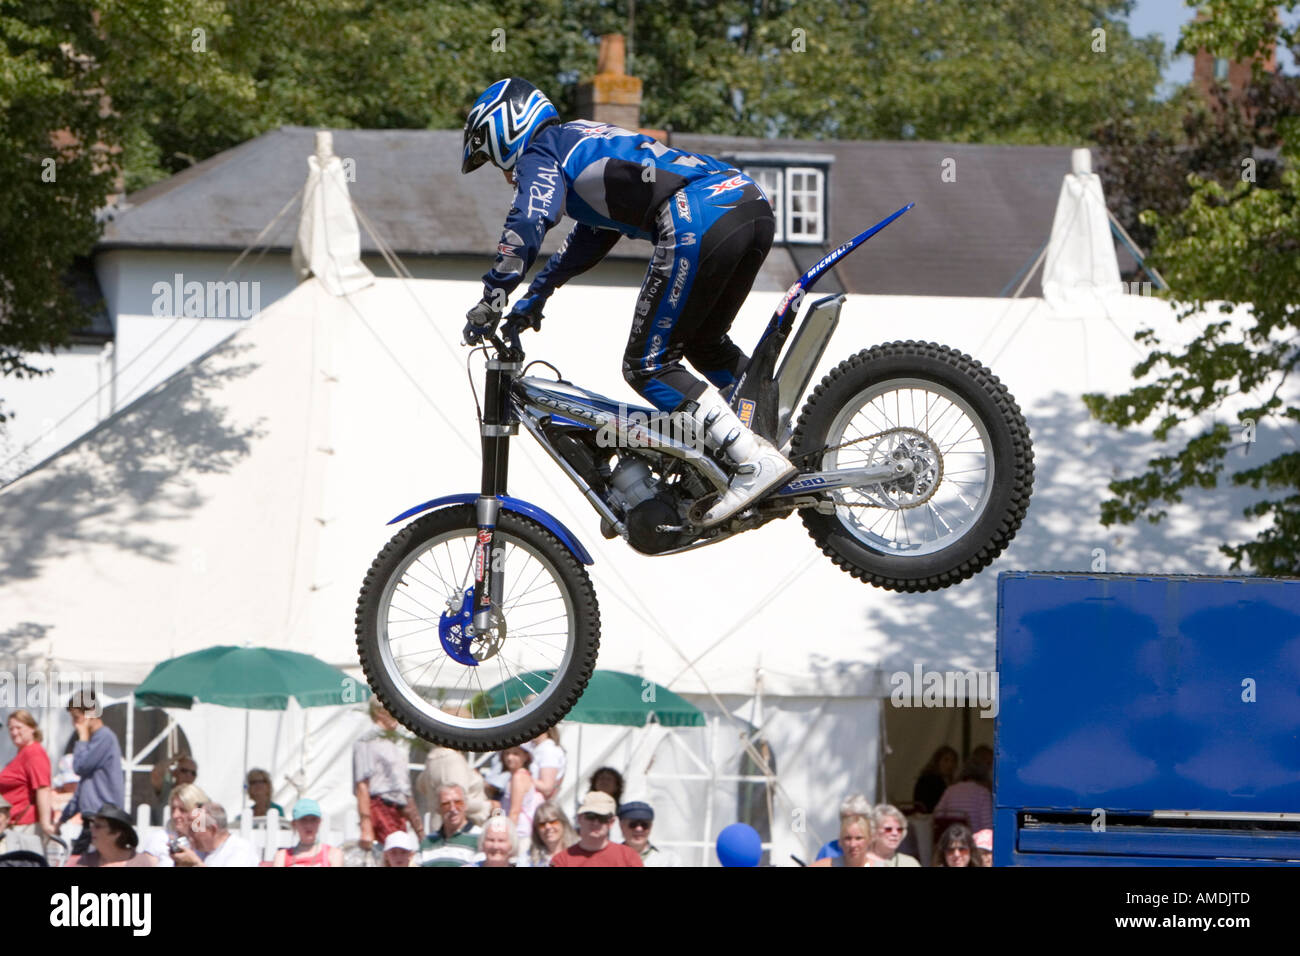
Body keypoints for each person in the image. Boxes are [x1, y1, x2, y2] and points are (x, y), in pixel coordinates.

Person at [460, 78, 794, 527]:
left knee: (648, 366)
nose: (505, 177)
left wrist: (492, 298)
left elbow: (528, 219)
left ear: (507, 130)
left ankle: (752, 461)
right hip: (747, 205)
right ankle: (774, 433)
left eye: (495, 162)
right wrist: (534, 298)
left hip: (697, 214)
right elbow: (592, 236)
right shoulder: (580, 139)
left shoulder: (543, 151)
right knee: (704, 343)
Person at [56, 690, 124, 856]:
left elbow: (80, 767)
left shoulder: (105, 738)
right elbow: (83, 788)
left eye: (76, 718)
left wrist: (83, 738)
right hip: (92, 818)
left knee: (81, 860)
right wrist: (63, 818)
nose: (74, 724)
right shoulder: (95, 741)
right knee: (78, 859)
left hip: (104, 819)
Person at [353, 699, 423, 850]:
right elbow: (362, 785)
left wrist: (419, 829)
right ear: (379, 712)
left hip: (399, 812)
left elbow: (403, 788)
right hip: (380, 807)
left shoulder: (394, 744)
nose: (398, 716)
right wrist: (366, 826)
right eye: (393, 710)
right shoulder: (366, 742)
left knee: (400, 856)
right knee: (393, 854)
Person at [549, 791, 642, 867]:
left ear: (611, 822)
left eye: (602, 818)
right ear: (579, 818)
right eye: (591, 816)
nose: (596, 822)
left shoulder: (629, 857)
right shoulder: (562, 860)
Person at [1, 709, 54, 842]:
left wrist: (45, 824)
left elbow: (43, 788)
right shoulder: (23, 753)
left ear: (32, 728)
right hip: (15, 823)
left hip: (27, 825)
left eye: (19, 727)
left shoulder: (34, 753)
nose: (14, 732)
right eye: (11, 728)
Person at [416, 746, 489, 828]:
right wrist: (489, 806)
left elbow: (420, 784)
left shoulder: (433, 758)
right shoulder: (452, 760)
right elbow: (458, 803)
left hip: (440, 827)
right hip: (459, 831)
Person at [172, 803, 259, 867]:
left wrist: (196, 863)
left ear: (212, 829)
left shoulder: (240, 850)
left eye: (193, 831)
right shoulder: (201, 851)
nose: (190, 836)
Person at [419, 784, 483, 867]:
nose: (452, 809)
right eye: (446, 804)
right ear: (438, 809)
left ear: (465, 805)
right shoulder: (427, 842)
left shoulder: (481, 838)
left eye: (458, 802)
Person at [72, 804, 155, 867]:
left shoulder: (140, 863)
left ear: (116, 833)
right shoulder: (85, 861)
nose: (91, 829)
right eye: (92, 825)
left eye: (98, 826)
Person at [273, 799, 343, 867]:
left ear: (319, 822)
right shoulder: (282, 856)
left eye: (313, 819)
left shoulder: (333, 854)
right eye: (303, 820)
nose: (308, 825)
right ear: (294, 824)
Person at [933, 761, 994, 833]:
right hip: (972, 840)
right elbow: (987, 826)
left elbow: (937, 814)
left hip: (951, 839)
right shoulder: (983, 792)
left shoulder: (950, 790)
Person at [500, 745, 543, 841]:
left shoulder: (518, 777)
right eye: (507, 753)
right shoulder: (521, 775)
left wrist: (506, 838)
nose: (510, 758)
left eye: (516, 754)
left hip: (519, 833)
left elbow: (514, 811)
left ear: (526, 756)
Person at [813, 793, 873, 862]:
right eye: (847, 819)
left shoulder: (875, 851)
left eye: (857, 819)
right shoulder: (828, 850)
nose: (852, 824)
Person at [618, 800, 679, 867]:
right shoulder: (609, 856)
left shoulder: (669, 859)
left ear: (651, 826)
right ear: (621, 826)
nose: (639, 829)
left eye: (644, 825)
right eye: (633, 824)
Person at [526, 800, 577, 867]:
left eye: (552, 822)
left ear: (563, 823)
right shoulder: (528, 859)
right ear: (537, 830)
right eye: (542, 824)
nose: (548, 827)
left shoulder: (577, 852)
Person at [149, 752, 197, 818]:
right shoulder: (167, 788)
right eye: (184, 770)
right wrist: (174, 759)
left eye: (193, 773)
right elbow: (156, 773)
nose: (188, 775)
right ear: (175, 773)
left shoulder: (197, 796)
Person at [912, 745, 958, 814]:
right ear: (937, 762)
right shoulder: (929, 780)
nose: (950, 764)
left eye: (953, 761)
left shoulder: (949, 781)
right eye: (946, 760)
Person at [523, 726, 565, 800]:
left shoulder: (548, 750)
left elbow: (547, 787)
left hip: (536, 804)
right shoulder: (540, 748)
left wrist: (521, 777)